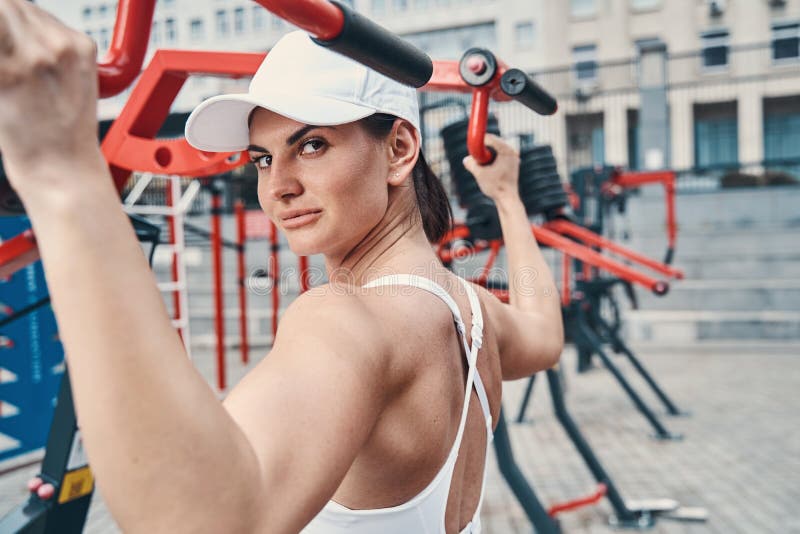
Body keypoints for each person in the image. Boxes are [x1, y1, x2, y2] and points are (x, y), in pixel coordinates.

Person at [0, 3, 563, 533]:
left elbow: (202, 520)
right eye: (264, 159)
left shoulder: (348, 319)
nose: (278, 187)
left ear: (398, 149)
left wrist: (64, 173)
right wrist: (507, 198)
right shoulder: (472, 310)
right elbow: (544, 333)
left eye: (312, 145)